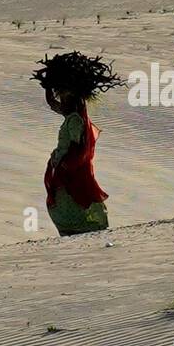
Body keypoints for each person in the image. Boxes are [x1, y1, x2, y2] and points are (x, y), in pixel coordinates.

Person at [32, 51, 124, 236]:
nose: (61, 101)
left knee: (70, 203)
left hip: (70, 172)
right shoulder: (72, 115)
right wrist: (48, 87)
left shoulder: (75, 120)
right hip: (64, 169)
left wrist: (64, 166)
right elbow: (53, 104)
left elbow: (79, 147)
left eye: (64, 97)